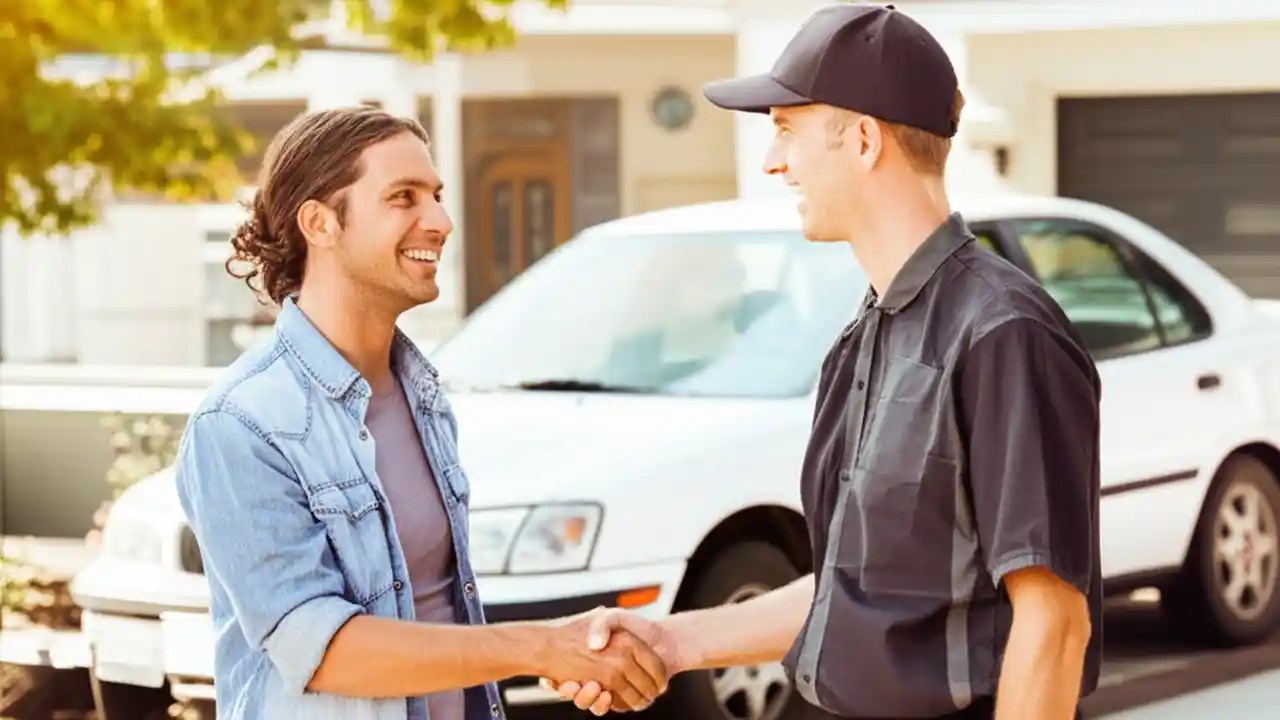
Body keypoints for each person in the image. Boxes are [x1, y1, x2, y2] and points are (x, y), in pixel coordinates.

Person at [547, 4, 1102, 719]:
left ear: (864, 139)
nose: (773, 162)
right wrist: (668, 639)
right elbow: (854, 591)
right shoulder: (865, 338)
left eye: (786, 132)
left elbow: (1054, 624)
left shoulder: (1003, 332)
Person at [174, 106, 667, 720]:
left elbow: (440, 605)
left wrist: (571, 650)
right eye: (403, 197)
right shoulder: (242, 423)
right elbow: (324, 649)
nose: (439, 221)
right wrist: (544, 646)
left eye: (435, 196)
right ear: (319, 223)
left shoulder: (421, 392)